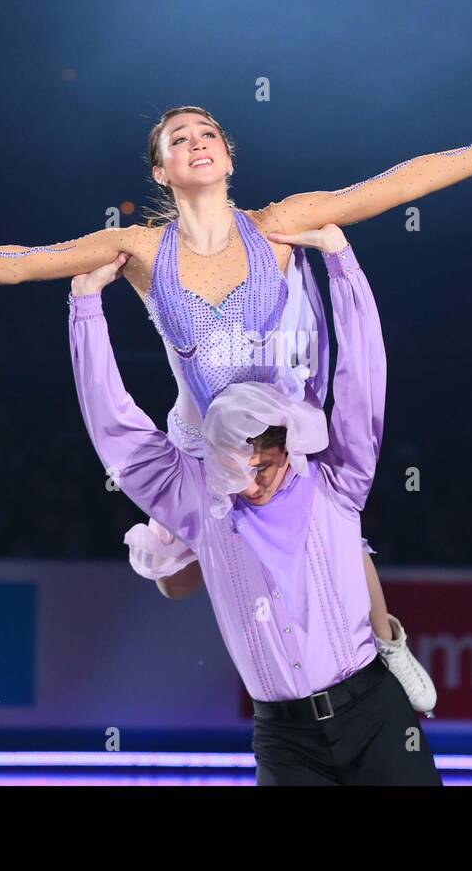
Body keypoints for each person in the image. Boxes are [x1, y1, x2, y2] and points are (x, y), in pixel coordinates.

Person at [0, 105, 472, 710]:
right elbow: (20, 262)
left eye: (208, 135)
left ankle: (385, 644)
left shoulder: (278, 224)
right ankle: (205, 552)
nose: (197, 144)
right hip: (203, 447)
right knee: (174, 580)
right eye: (180, 139)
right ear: (161, 170)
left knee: (336, 528)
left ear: (228, 158)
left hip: (281, 434)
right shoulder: (137, 249)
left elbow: (395, 185)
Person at [68, 220, 440, 784]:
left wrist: (343, 265)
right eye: (235, 469)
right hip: (284, 737)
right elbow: (115, 432)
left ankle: (390, 645)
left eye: (262, 466)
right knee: (174, 575)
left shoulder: (335, 479)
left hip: (374, 714)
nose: (249, 483)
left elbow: (362, 381)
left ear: (285, 450)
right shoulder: (202, 500)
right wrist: (86, 307)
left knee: (349, 541)